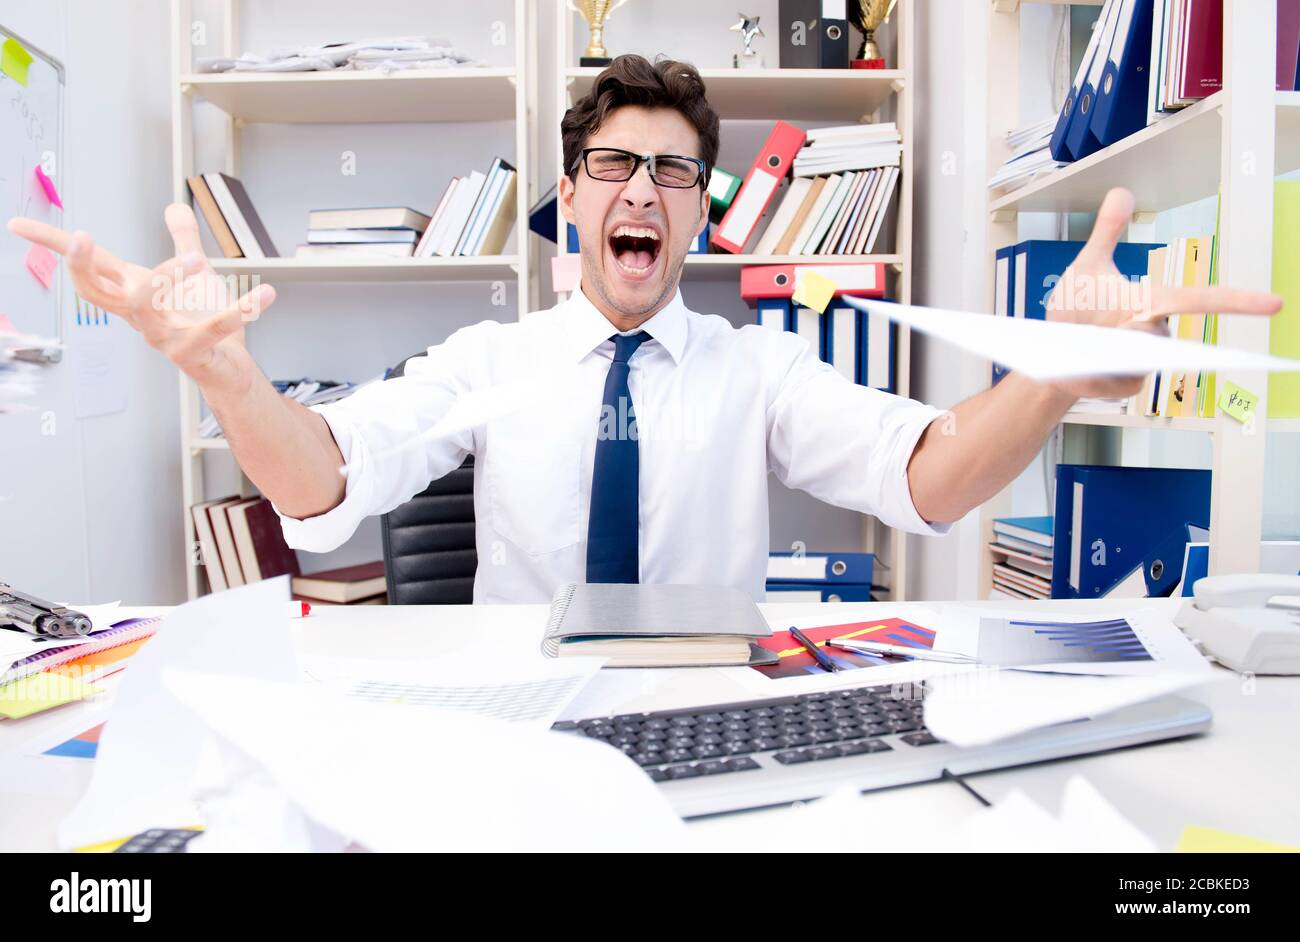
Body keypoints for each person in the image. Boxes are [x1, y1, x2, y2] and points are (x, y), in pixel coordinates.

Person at [9, 55, 1280, 603]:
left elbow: (929, 477)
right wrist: (234, 385)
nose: (641, 193)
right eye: (614, 167)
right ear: (571, 203)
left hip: (711, 712)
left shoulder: (760, 367)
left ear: (697, 217)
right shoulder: (487, 361)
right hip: (520, 723)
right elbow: (326, 486)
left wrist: (1049, 377)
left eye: (674, 175)